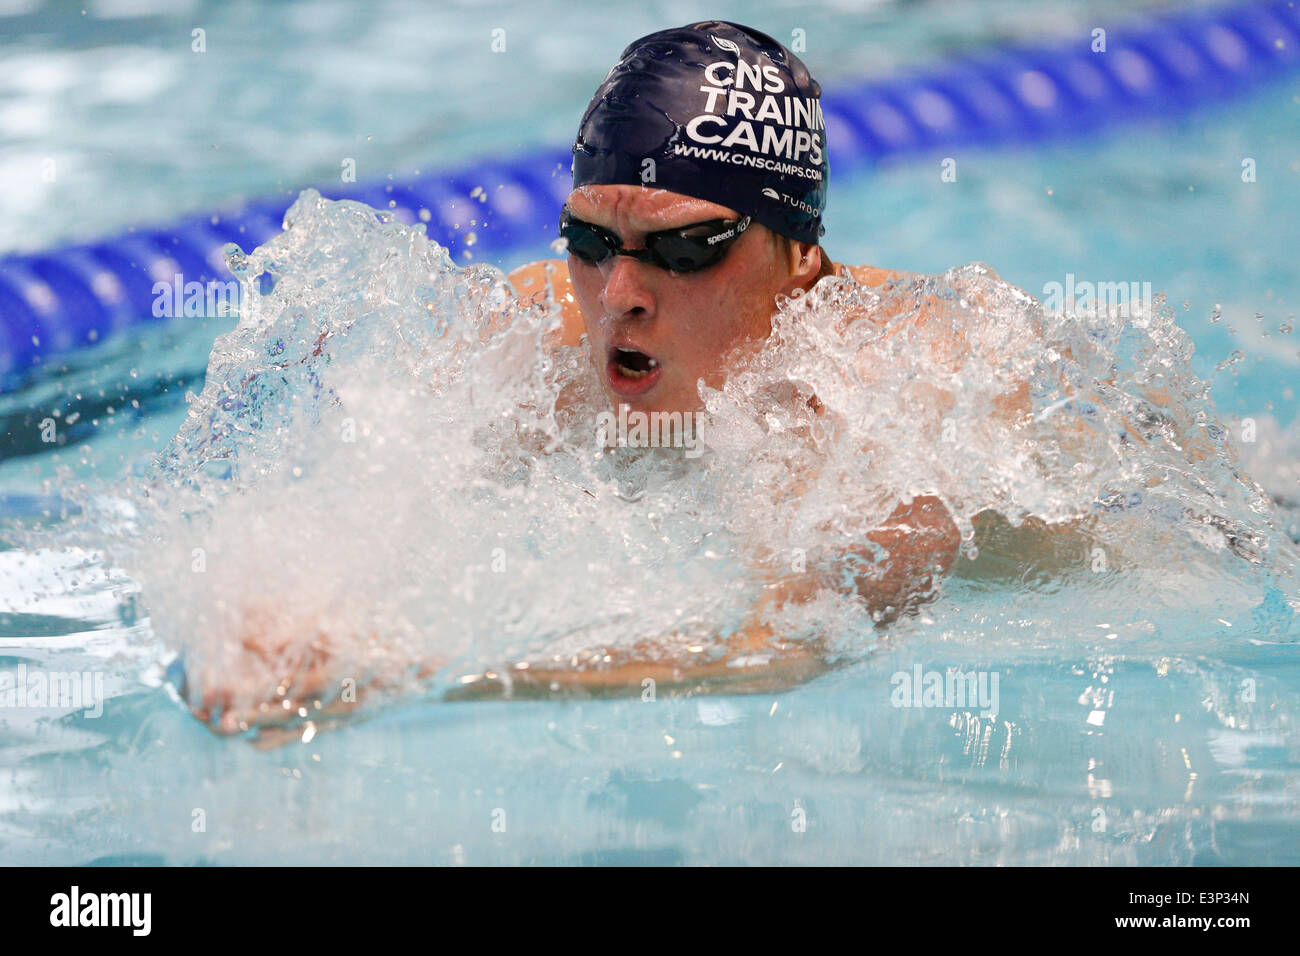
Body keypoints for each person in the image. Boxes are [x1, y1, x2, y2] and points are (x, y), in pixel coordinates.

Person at [191, 21, 1011, 734]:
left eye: (684, 250)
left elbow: (789, 648)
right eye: (587, 241)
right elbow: (360, 493)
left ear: (798, 255)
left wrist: (433, 680)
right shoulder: (541, 335)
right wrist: (277, 624)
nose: (617, 297)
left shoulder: (897, 382)